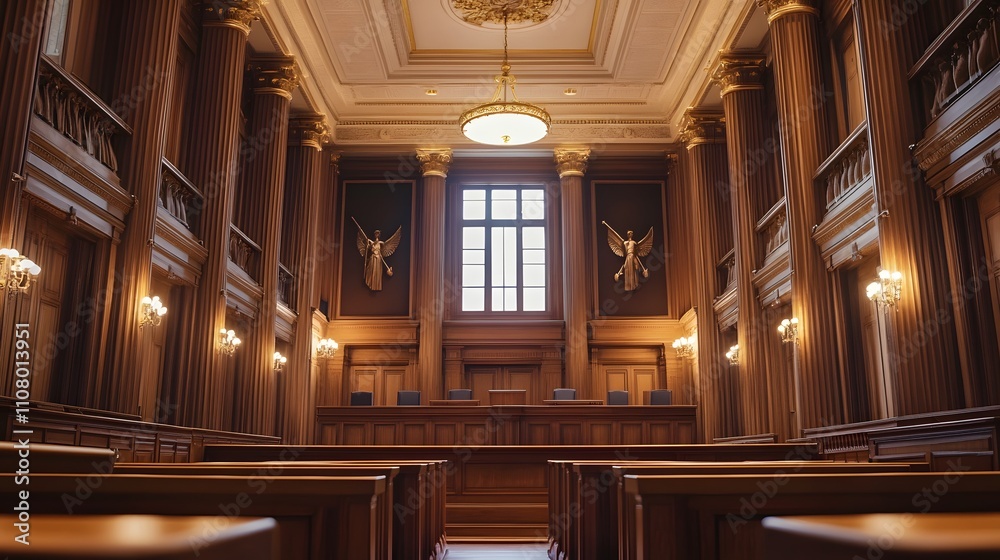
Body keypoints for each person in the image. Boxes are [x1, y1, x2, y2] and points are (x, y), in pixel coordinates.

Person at [602, 221, 653, 291]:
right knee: (626, 267)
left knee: (636, 267)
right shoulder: (625, 243)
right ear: (627, 234)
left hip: (633, 256)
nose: (630, 234)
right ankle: (628, 285)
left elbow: (636, 251)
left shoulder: (634, 243)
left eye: (631, 233)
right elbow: (625, 250)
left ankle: (635, 283)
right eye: (629, 233)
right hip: (628, 257)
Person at [354, 219, 402, 291]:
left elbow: (386, 246)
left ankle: (377, 286)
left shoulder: (381, 243)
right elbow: (368, 248)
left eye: (378, 234)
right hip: (373, 258)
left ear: (379, 235)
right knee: (371, 271)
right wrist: (368, 244)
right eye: (376, 234)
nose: (377, 235)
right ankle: (370, 284)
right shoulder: (370, 242)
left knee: (377, 273)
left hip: (378, 259)